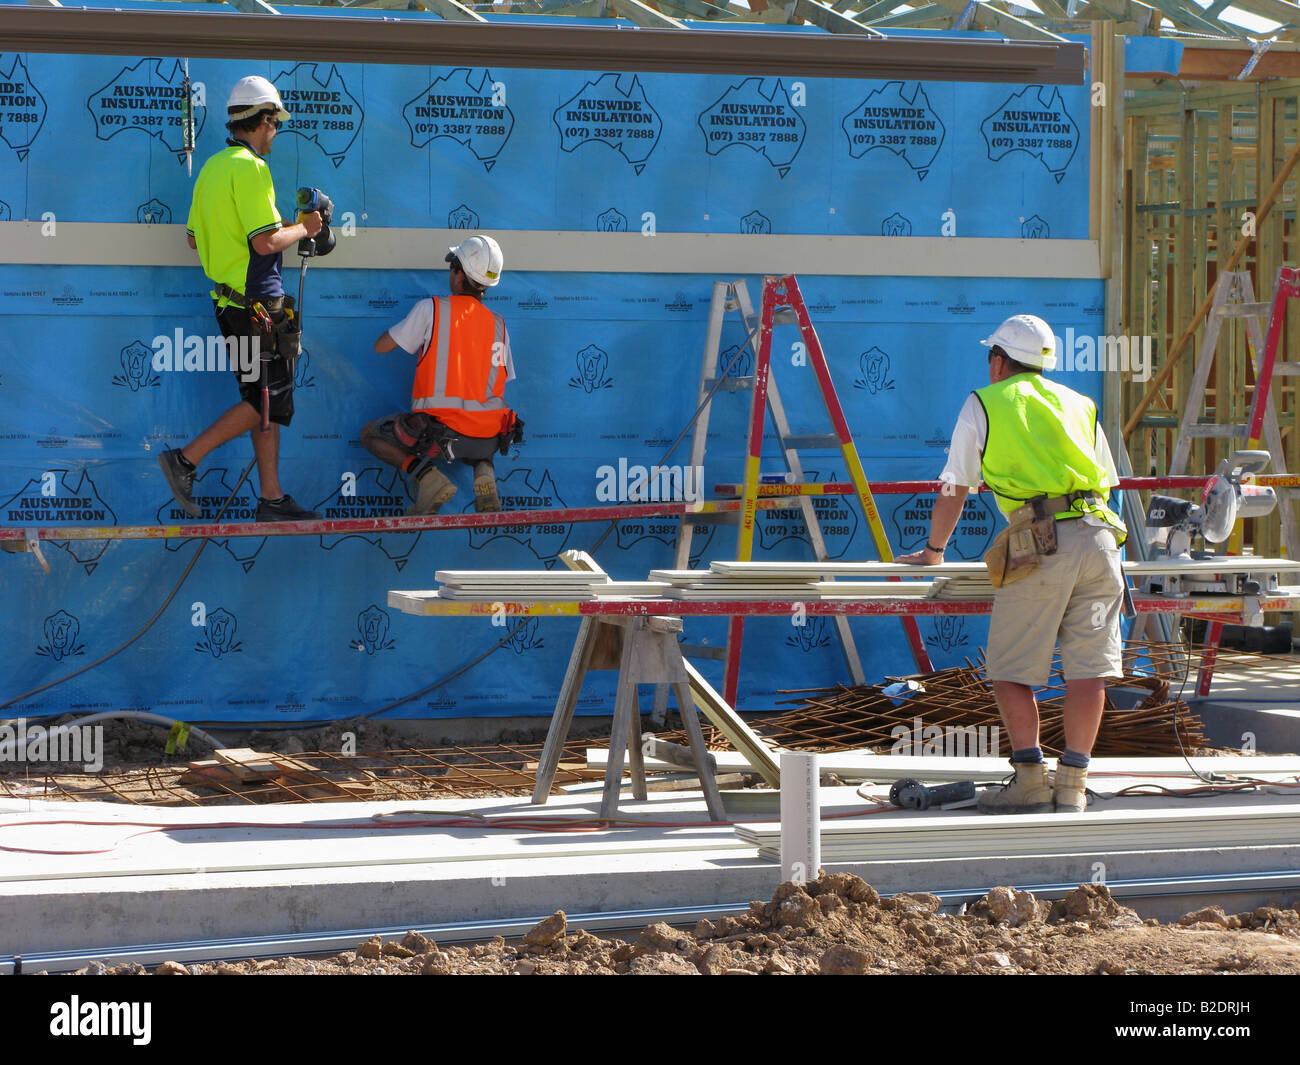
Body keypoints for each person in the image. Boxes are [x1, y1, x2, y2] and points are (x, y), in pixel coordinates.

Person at [898, 314, 1128, 814]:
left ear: (999, 361)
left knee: (1009, 670)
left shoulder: (986, 402)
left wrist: (935, 550)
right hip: (1101, 540)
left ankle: (1029, 782)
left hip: (1042, 543)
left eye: (991, 357)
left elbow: (956, 487)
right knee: (1089, 671)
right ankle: (1072, 786)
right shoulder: (1080, 403)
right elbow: (1107, 482)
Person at [158, 75, 324, 523]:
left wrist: (280, 227)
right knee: (268, 400)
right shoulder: (251, 168)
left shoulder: (213, 168)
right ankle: (185, 460)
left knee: (262, 397)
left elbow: (195, 240)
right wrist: (305, 227)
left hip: (231, 305)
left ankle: (271, 498)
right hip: (257, 306)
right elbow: (265, 243)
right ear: (263, 120)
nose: (276, 132)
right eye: (275, 123)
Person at [362, 235, 522, 515]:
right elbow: (502, 379)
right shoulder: (499, 324)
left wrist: (404, 329)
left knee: (369, 435)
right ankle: (484, 472)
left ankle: (427, 478)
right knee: (480, 428)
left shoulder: (432, 309)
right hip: (488, 438)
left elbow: (380, 347)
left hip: (439, 435)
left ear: (459, 275)